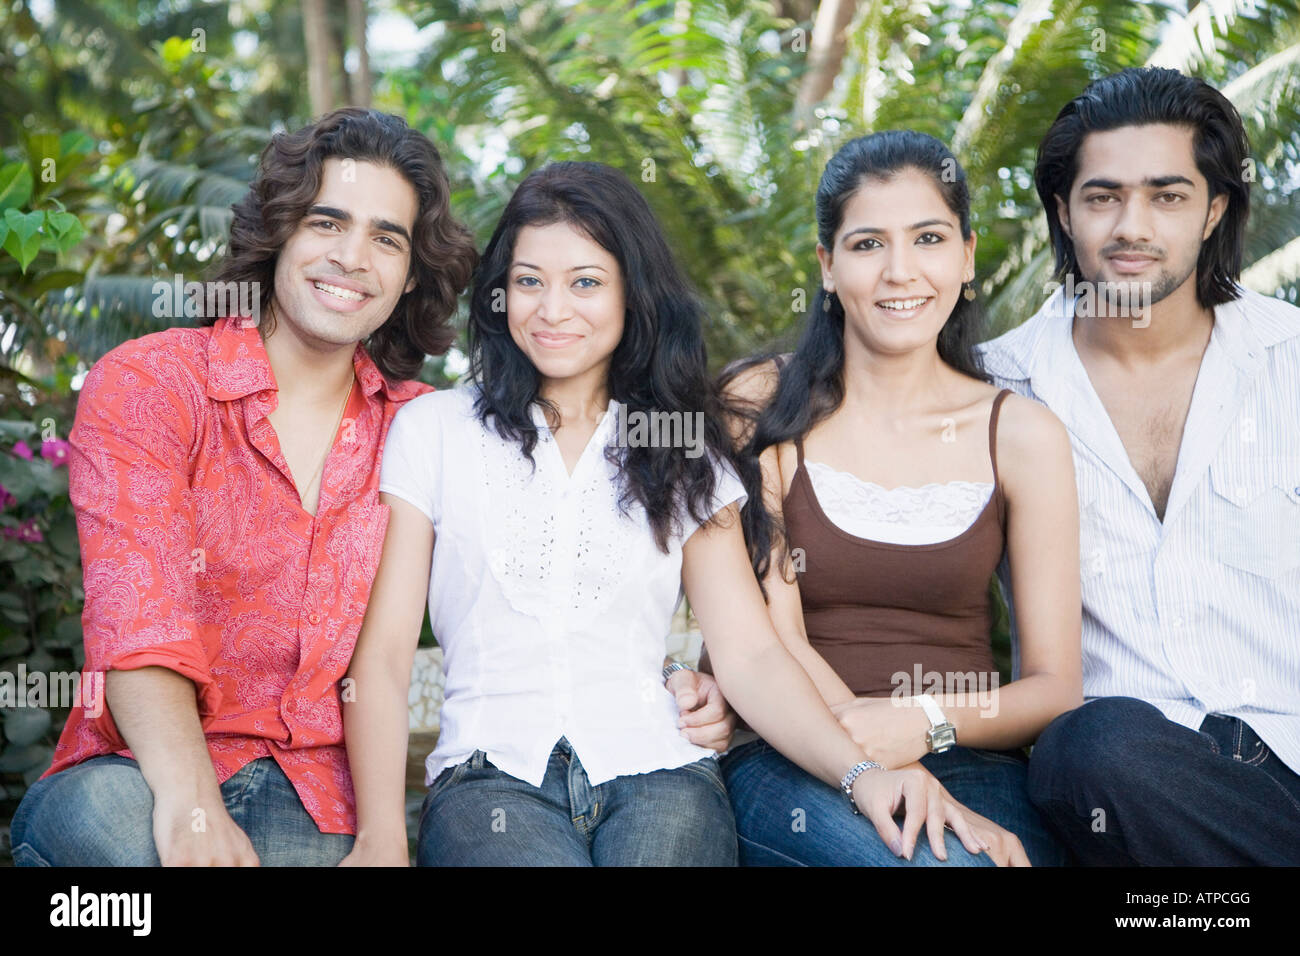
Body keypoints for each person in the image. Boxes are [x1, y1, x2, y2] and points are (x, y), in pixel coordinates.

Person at [340, 161, 1026, 867]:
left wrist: (865, 774)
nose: (552, 310)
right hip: (490, 779)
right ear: (498, 294)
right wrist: (382, 835)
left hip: (661, 772)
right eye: (527, 281)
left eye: (586, 283)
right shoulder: (436, 430)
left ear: (633, 297)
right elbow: (386, 658)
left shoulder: (683, 446)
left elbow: (751, 653)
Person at [8, 108, 480, 866]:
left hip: (323, 800)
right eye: (327, 222)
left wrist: (706, 688)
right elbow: (138, 620)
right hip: (142, 775)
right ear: (281, 231)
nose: (353, 257)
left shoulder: (425, 429)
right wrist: (193, 806)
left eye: (386, 238)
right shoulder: (154, 382)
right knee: (110, 829)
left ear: (412, 273)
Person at [716, 130, 1081, 866]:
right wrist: (883, 767)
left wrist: (925, 723)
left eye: (928, 238)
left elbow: (1053, 687)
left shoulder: (1021, 433)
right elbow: (770, 637)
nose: (900, 271)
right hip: (794, 754)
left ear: (967, 255)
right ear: (826, 265)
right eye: (867, 245)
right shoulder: (760, 402)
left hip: (973, 760)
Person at [979, 67, 1300, 865]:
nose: (1132, 225)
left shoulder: (1291, 361)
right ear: (1063, 210)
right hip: (1126, 781)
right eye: (1102, 197)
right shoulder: (990, 389)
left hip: (1290, 756)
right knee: (1093, 742)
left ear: (1213, 208)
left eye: (1167, 195)